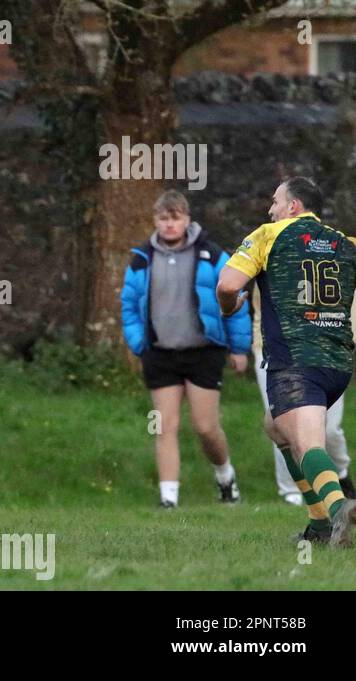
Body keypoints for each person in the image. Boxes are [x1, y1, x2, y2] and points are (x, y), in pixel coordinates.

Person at [217, 177, 356, 546]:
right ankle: (319, 524)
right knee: (275, 427)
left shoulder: (269, 235)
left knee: (308, 444)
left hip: (295, 364)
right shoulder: (346, 244)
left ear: (293, 206)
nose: (270, 209)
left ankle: (340, 507)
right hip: (338, 364)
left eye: (275, 201)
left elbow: (228, 286)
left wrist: (230, 308)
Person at [121, 190, 250, 508]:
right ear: (155, 221)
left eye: (175, 218)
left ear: (187, 219)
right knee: (165, 426)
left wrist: (239, 347)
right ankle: (168, 499)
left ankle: (225, 476)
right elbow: (128, 305)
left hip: (203, 351)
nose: (169, 224)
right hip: (161, 352)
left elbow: (235, 301)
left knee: (205, 428)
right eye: (163, 218)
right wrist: (139, 343)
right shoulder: (141, 258)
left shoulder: (213, 255)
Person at [250, 284, 356, 506]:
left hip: (328, 349)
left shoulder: (340, 250)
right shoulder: (267, 248)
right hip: (279, 351)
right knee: (281, 424)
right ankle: (295, 492)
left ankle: (340, 477)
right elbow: (234, 287)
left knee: (328, 429)